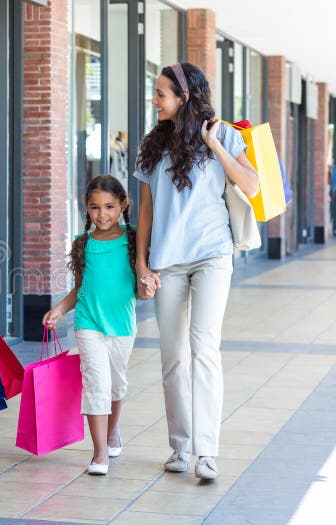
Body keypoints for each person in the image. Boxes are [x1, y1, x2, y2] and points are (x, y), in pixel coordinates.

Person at [134, 62, 259, 480]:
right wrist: (141, 262)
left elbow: (251, 185)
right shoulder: (152, 145)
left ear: (184, 97)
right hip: (167, 260)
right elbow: (146, 209)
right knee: (173, 356)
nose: (155, 100)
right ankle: (180, 447)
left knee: (204, 348)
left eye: (161, 93)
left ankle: (207, 452)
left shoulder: (224, 134)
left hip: (212, 255)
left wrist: (214, 144)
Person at [42, 175, 147, 476]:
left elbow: (143, 282)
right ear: (86, 208)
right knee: (96, 384)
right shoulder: (83, 244)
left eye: (109, 207)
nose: (102, 214)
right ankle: (99, 452)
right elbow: (80, 288)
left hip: (122, 325)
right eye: (95, 207)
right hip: (88, 323)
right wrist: (59, 309)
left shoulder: (133, 240)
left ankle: (112, 432)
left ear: (123, 205)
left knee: (116, 385)